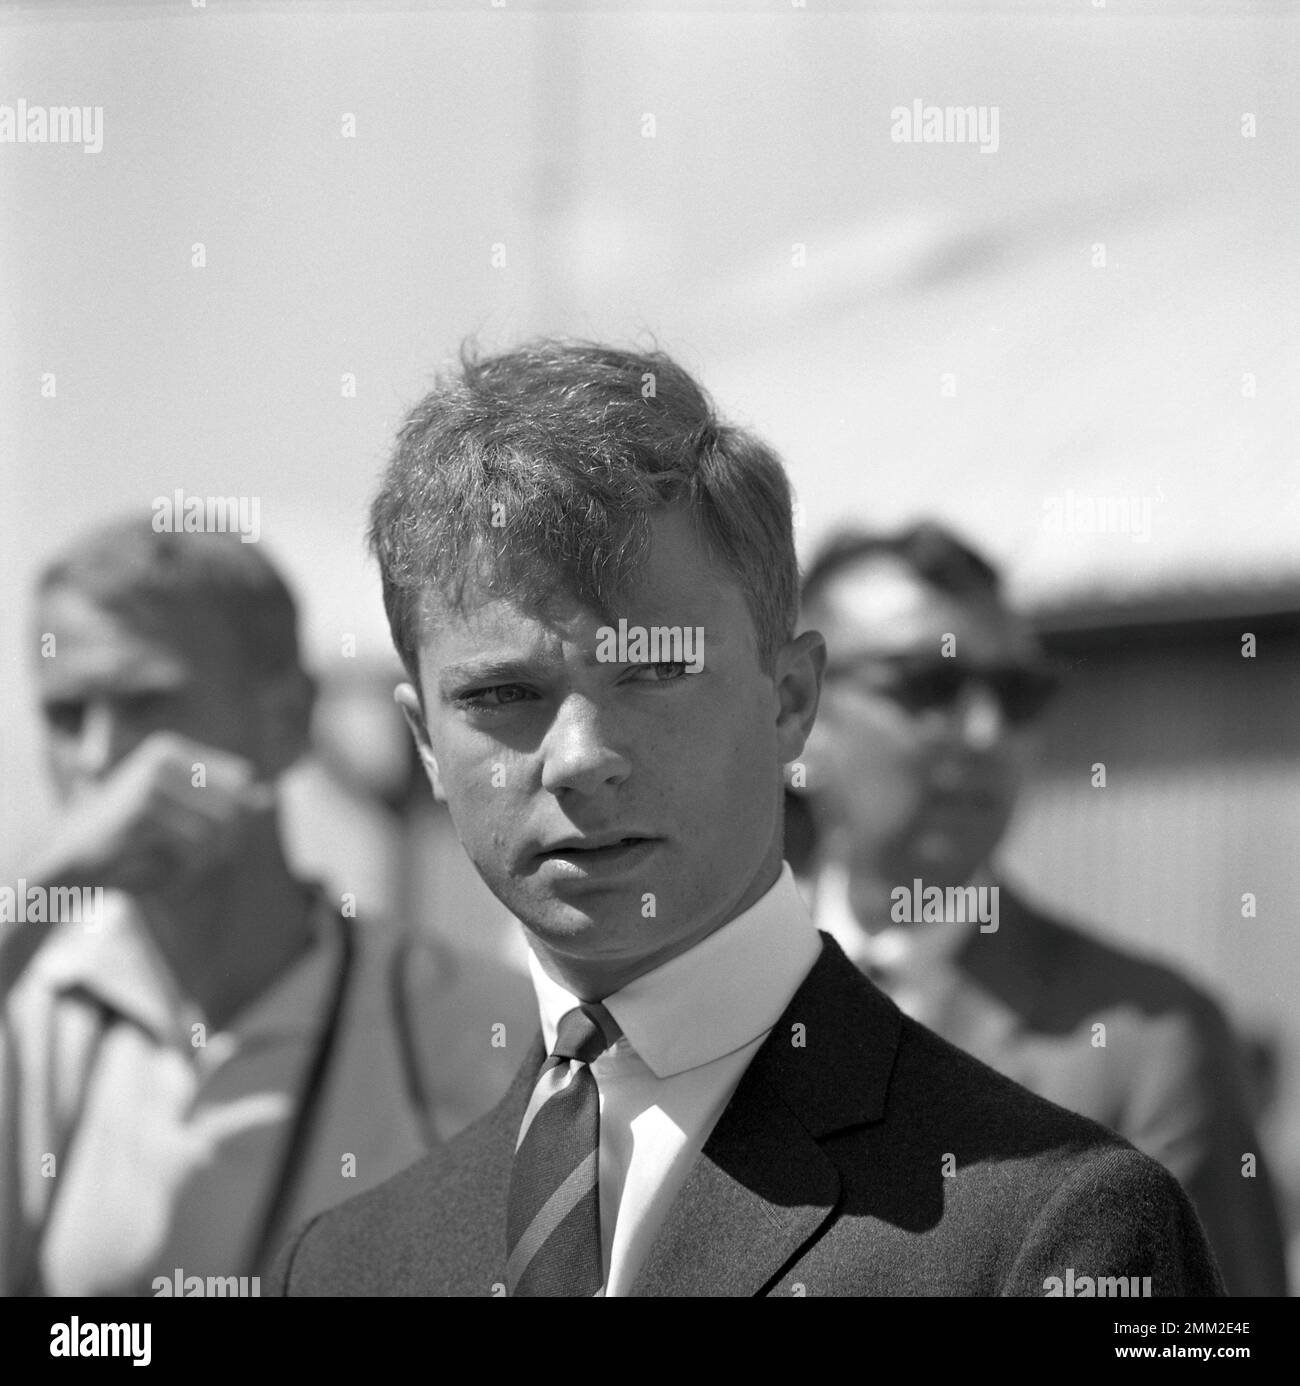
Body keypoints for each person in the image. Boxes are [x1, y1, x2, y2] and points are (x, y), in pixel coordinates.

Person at [269, 340, 1222, 1296]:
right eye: (505, 693)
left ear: (790, 699)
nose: (581, 757)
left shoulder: (1056, 1229)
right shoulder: (345, 1266)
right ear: (426, 745)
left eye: (654, 672)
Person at [0, 518, 535, 1296]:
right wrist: (43, 886)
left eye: (148, 704)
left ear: (285, 723)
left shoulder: (466, 1018)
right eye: (65, 716)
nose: (97, 759)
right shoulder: (31, 1010)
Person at [792, 522, 1288, 1297]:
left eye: (1018, 694)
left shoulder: (1150, 1043)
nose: (987, 732)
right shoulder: (706, 992)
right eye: (929, 686)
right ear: (800, 710)